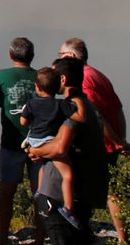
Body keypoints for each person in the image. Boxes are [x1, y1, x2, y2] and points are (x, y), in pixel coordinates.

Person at [26, 58, 109, 245]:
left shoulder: (70, 109)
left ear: (62, 79)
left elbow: (60, 147)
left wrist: (34, 149)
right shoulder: (88, 106)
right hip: (84, 191)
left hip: (59, 196)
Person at [60, 38, 130, 243]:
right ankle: (122, 237)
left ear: (72, 56)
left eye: (61, 55)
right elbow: (118, 110)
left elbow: (96, 115)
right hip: (111, 143)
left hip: (99, 145)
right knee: (113, 191)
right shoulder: (100, 75)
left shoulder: (84, 79)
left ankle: (86, 235)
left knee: (84, 191)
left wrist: (116, 141)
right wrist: (122, 139)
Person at [0, 37, 37, 242]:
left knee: (7, 191)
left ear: (10, 55)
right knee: (40, 193)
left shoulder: (1, 75)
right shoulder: (40, 76)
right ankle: (41, 235)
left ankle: (2, 236)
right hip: (39, 142)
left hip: (11, 141)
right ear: (32, 55)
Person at [19, 69, 76, 228]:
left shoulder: (30, 104)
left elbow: (23, 122)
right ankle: (69, 207)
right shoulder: (60, 104)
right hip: (51, 142)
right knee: (68, 174)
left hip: (34, 141)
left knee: (43, 166)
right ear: (58, 86)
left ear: (37, 87)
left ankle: (40, 192)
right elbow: (76, 114)